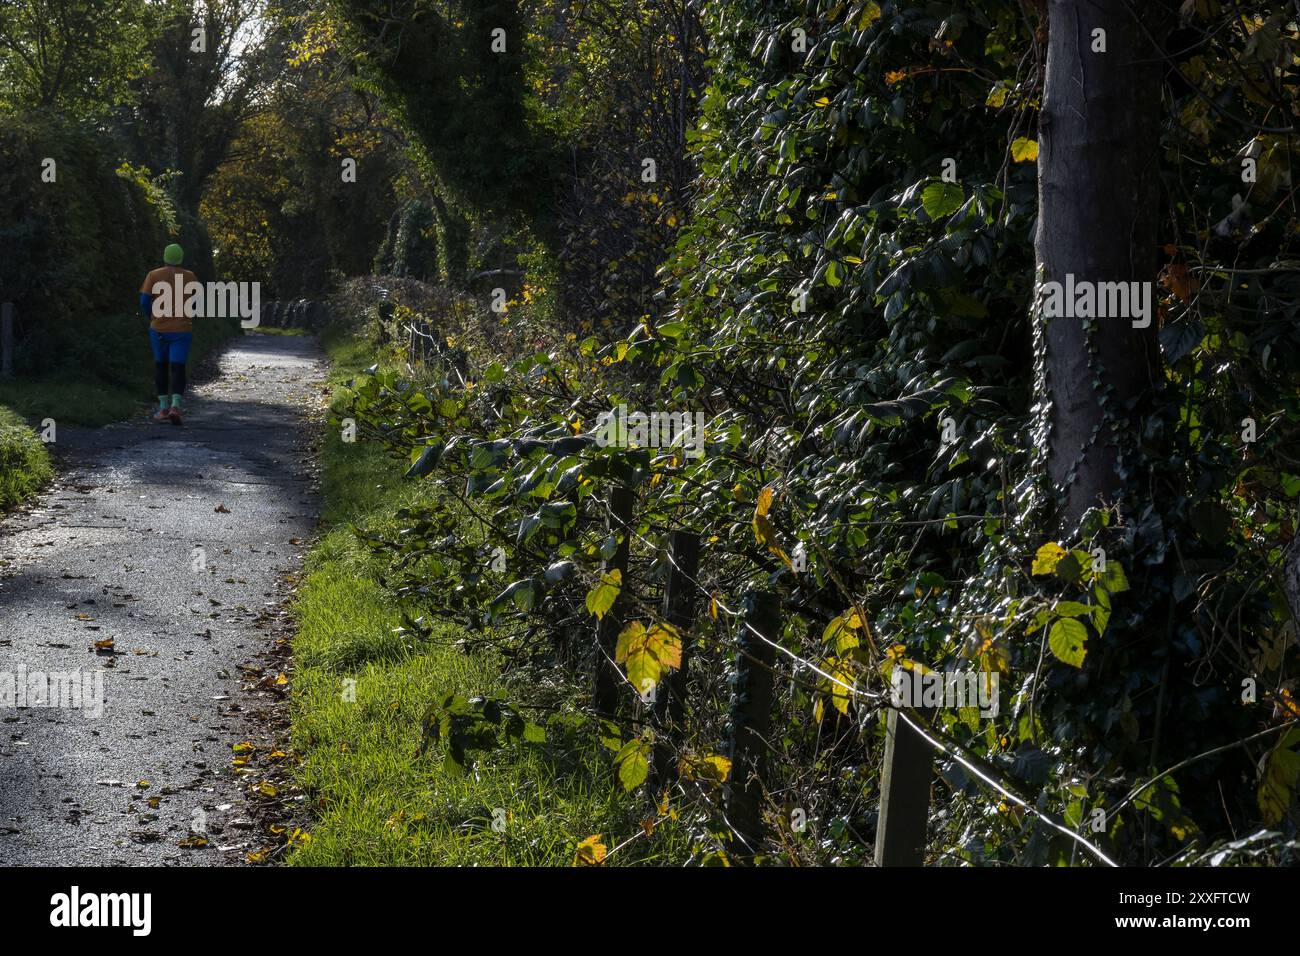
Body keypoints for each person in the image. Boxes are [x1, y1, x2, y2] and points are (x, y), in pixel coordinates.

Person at [139, 244, 197, 425]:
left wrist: (151, 317)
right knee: (178, 367)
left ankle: (163, 408)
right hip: (182, 330)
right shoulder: (190, 276)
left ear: (164, 256)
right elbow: (195, 303)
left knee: (161, 366)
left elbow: (144, 301)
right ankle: (175, 406)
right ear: (181, 258)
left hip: (159, 330)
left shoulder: (153, 275)